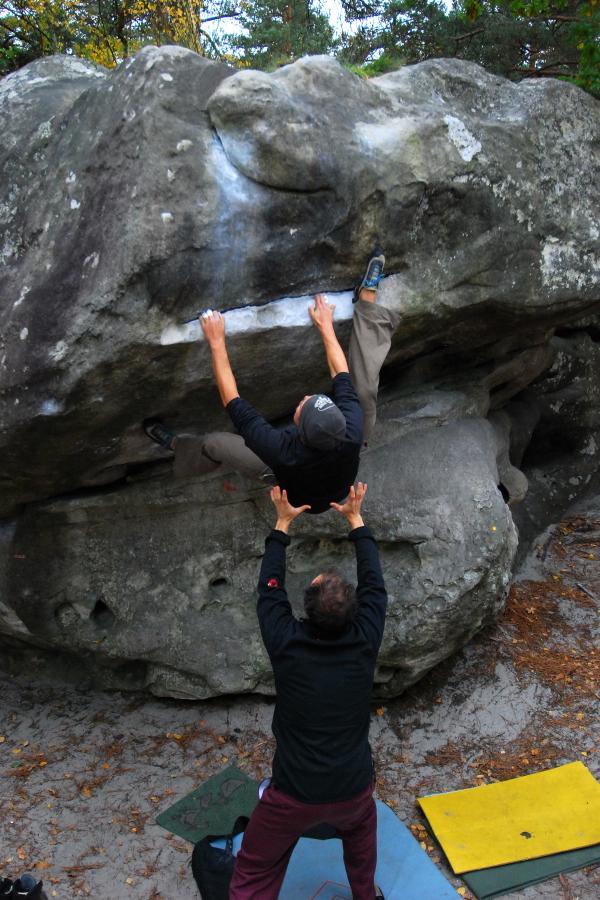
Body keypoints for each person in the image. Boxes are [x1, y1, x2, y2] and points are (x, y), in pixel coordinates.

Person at [144, 249, 399, 512]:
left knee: (214, 444)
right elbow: (340, 373)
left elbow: (231, 399)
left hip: (296, 489)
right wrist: (325, 326)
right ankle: (367, 301)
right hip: (338, 459)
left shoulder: (280, 451)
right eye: (314, 399)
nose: (306, 397)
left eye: (304, 405)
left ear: (298, 430)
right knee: (365, 391)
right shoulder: (351, 428)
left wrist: (217, 342)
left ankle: (179, 446)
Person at [229, 481, 387, 899]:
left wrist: (281, 525)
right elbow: (375, 584)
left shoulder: (286, 642)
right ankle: (364, 895)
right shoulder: (366, 638)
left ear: (306, 608)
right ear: (355, 611)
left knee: (254, 865)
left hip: (294, 795)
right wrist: (356, 520)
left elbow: (269, 590)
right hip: (353, 789)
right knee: (361, 842)